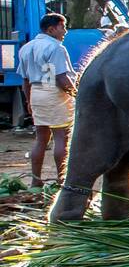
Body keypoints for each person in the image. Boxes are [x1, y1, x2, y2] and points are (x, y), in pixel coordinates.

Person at [17, 13, 78, 187]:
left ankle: (36, 181)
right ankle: (62, 181)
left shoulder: (27, 48)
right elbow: (61, 78)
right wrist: (77, 95)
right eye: (62, 26)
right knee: (61, 138)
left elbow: (25, 80)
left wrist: (29, 101)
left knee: (41, 139)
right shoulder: (56, 48)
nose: (65, 31)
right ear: (51, 29)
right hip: (54, 93)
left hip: (36, 92)